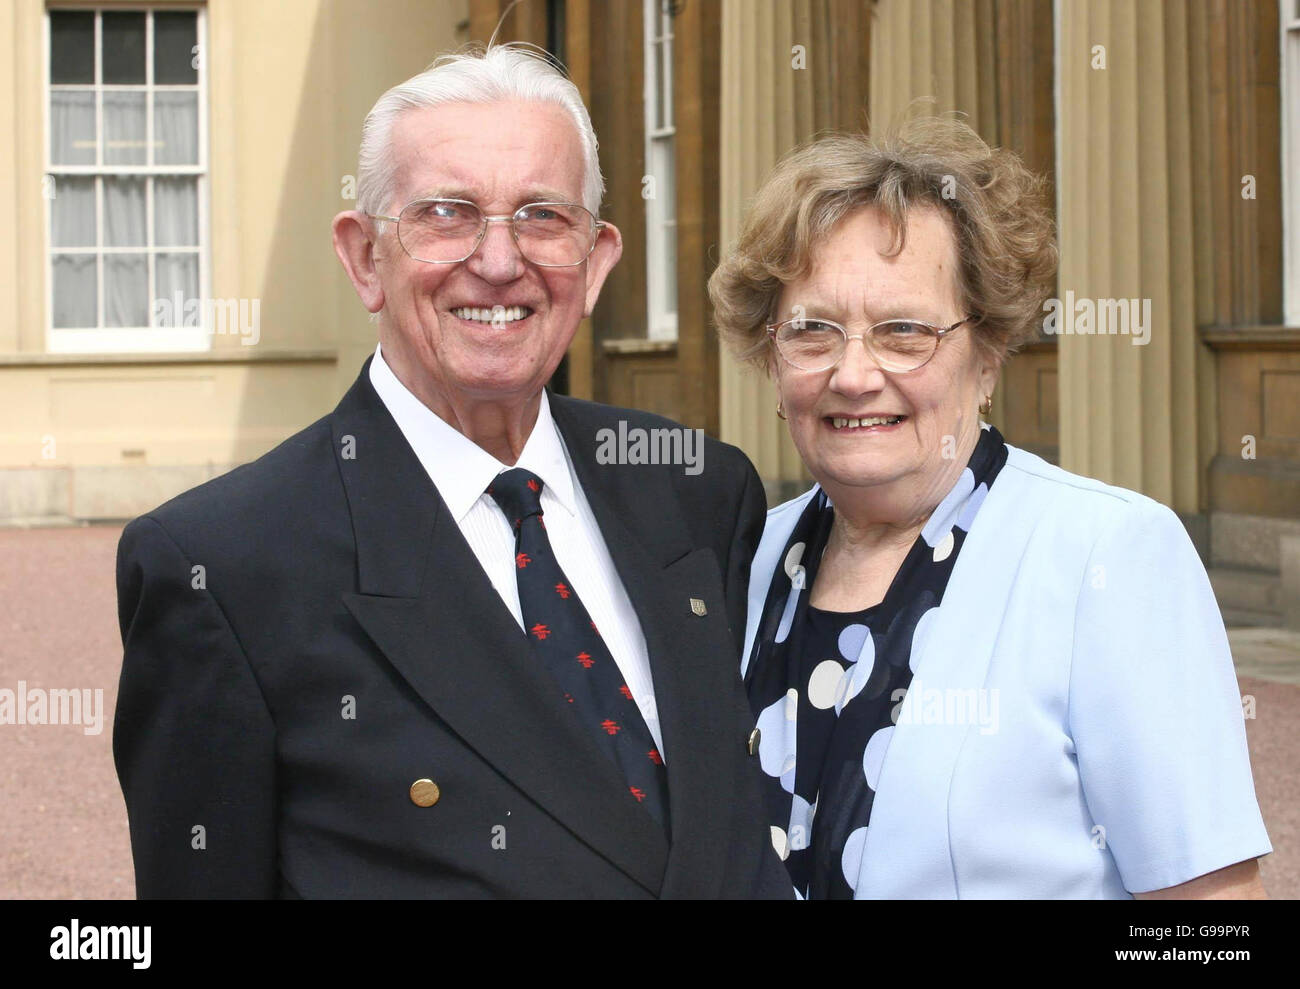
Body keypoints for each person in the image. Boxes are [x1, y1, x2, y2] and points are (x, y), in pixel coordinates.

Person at [113, 44, 790, 899]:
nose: (499, 262)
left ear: (595, 262)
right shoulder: (224, 568)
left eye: (543, 215)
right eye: (446, 213)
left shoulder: (697, 491)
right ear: (365, 258)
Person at [708, 116, 1272, 899]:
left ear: (988, 355)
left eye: (904, 331)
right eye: (813, 332)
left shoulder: (1106, 557)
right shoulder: (741, 561)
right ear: (773, 360)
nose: (854, 374)